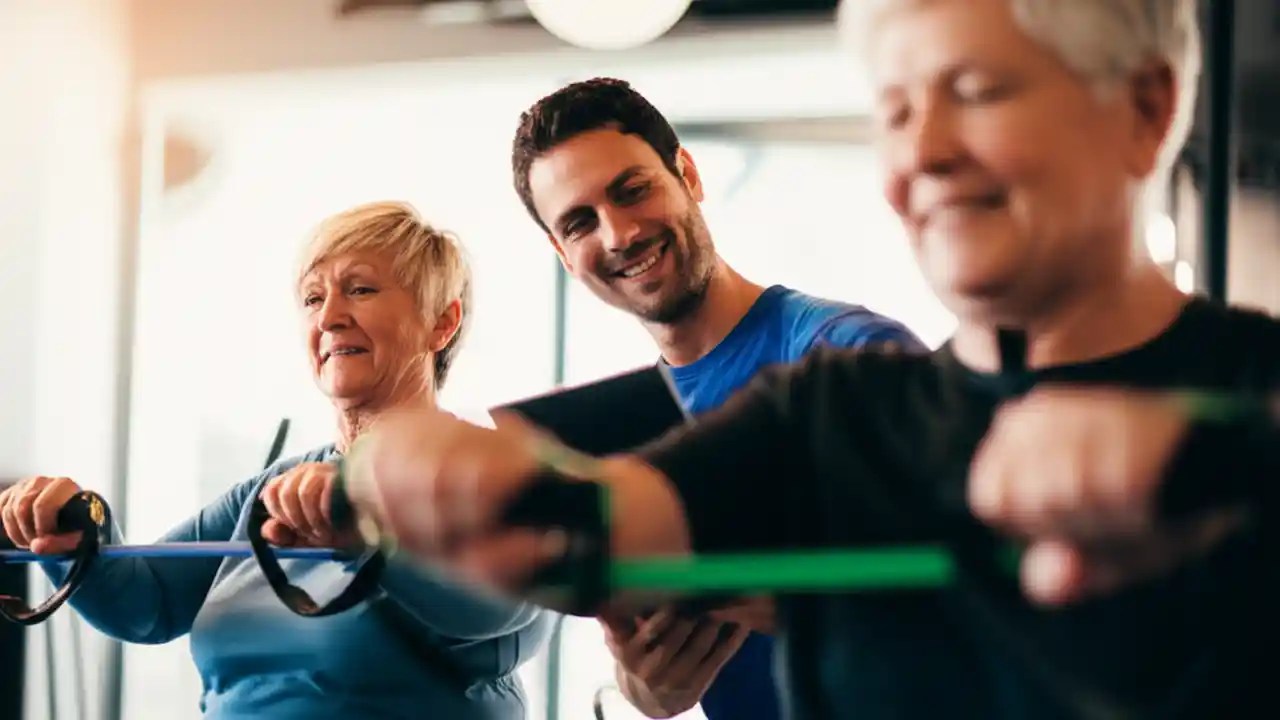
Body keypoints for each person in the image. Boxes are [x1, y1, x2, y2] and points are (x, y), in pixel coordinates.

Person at [333, 0, 1279, 718]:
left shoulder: (1255, 400)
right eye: (897, 113)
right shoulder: (836, 412)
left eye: (977, 92)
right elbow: (603, 522)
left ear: (1145, 108)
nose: (924, 152)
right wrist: (446, 477)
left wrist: (1219, 464)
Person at [0, 201, 553, 719]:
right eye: (313, 299)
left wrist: (367, 529)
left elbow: (504, 607)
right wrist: (79, 536)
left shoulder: (493, 471)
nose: (329, 317)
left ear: (442, 322)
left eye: (360, 289)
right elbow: (148, 603)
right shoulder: (275, 488)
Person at [509, 77, 926, 719]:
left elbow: (958, 596)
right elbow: (654, 674)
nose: (619, 234)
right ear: (562, 252)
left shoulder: (848, 355)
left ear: (688, 175)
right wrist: (649, 685)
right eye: (580, 222)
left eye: (632, 190)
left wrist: (753, 590)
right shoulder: (626, 430)